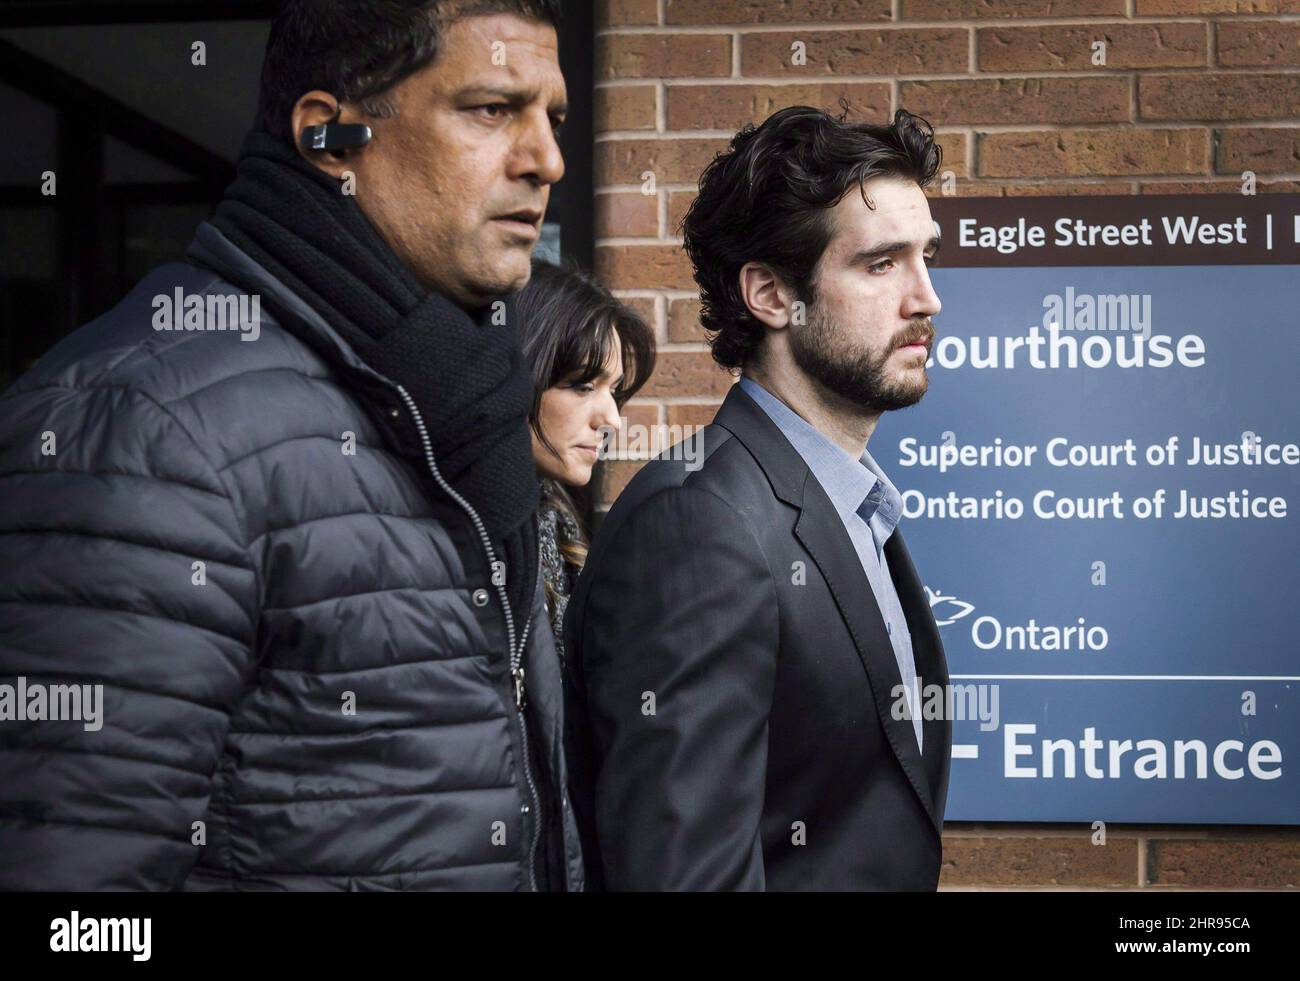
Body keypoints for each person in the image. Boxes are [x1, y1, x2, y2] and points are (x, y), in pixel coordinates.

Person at [0, 0, 584, 891]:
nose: (546, 159)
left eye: (554, 118)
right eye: (491, 109)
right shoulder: (143, 427)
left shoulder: (464, 397)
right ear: (327, 137)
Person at [564, 107, 953, 891]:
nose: (927, 298)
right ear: (771, 295)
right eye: (881, 264)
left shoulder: (851, 504)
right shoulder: (697, 524)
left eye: (927, 257)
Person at [515, 260, 655, 663]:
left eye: (614, 390)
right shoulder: (462, 535)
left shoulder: (553, 521)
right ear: (520, 376)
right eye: (583, 386)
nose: (611, 419)